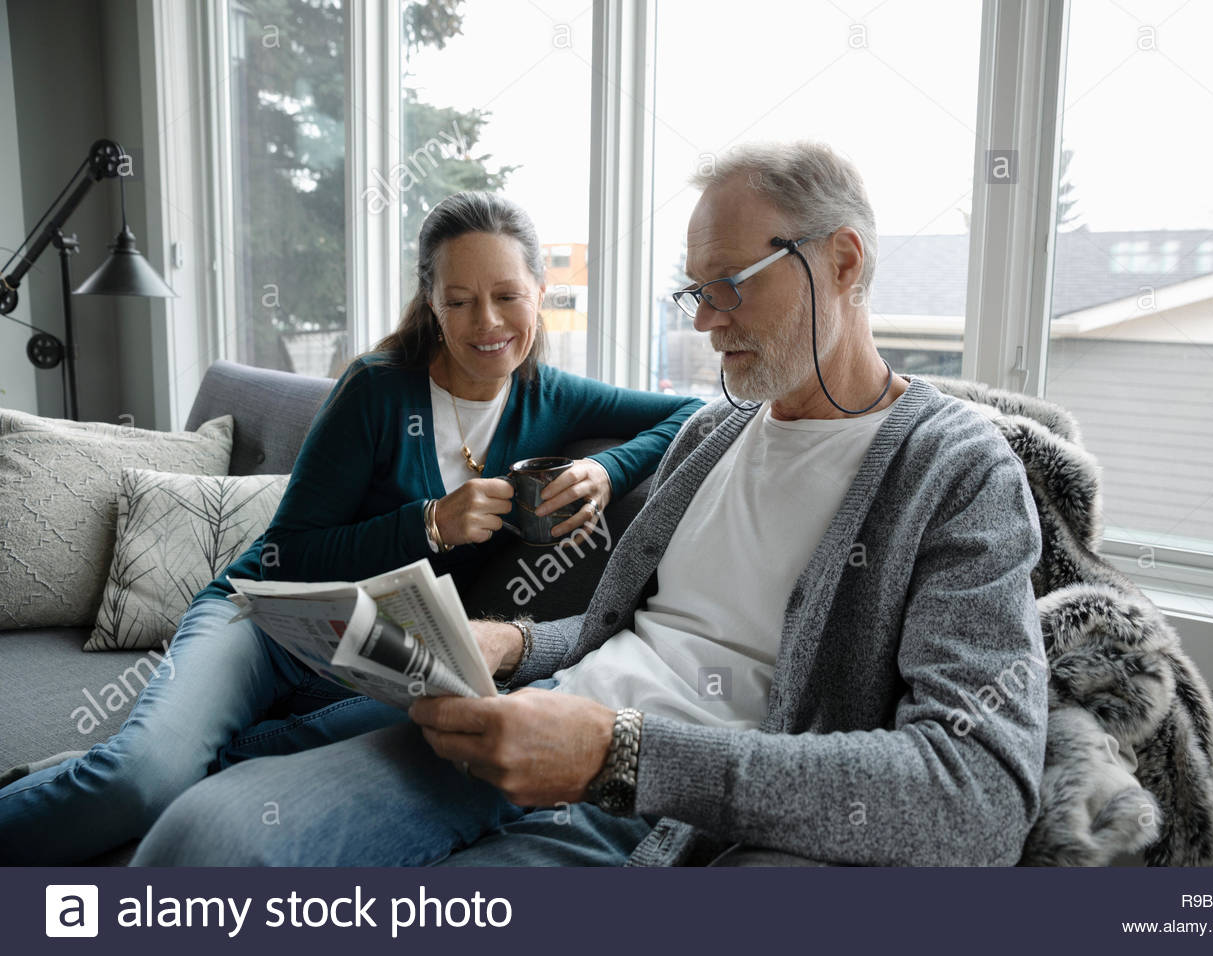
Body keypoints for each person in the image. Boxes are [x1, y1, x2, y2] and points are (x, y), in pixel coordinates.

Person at [131, 141, 1049, 868]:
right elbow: (638, 635)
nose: (701, 320)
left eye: (728, 286)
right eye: (694, 290)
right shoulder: (715, 433)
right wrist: (516, 644)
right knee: (205, 841)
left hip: (653, 809)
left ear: (842, 262)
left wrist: (622, 757)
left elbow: (977, 793)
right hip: (535, 725)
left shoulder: (956, 468)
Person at [0, 191, 702, 864]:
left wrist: (611, 470)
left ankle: (117, 767)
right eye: (459, 300)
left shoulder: (551, 396)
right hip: (262, 618)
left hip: (376, 650)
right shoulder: (377, 389)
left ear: (539, 295)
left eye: (506, 295)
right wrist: (428, 524)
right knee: (141, 781)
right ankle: (129, 768)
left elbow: (693, 414)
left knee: (438, 733)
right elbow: (290, 553)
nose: (487, 322)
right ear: (432, 302)